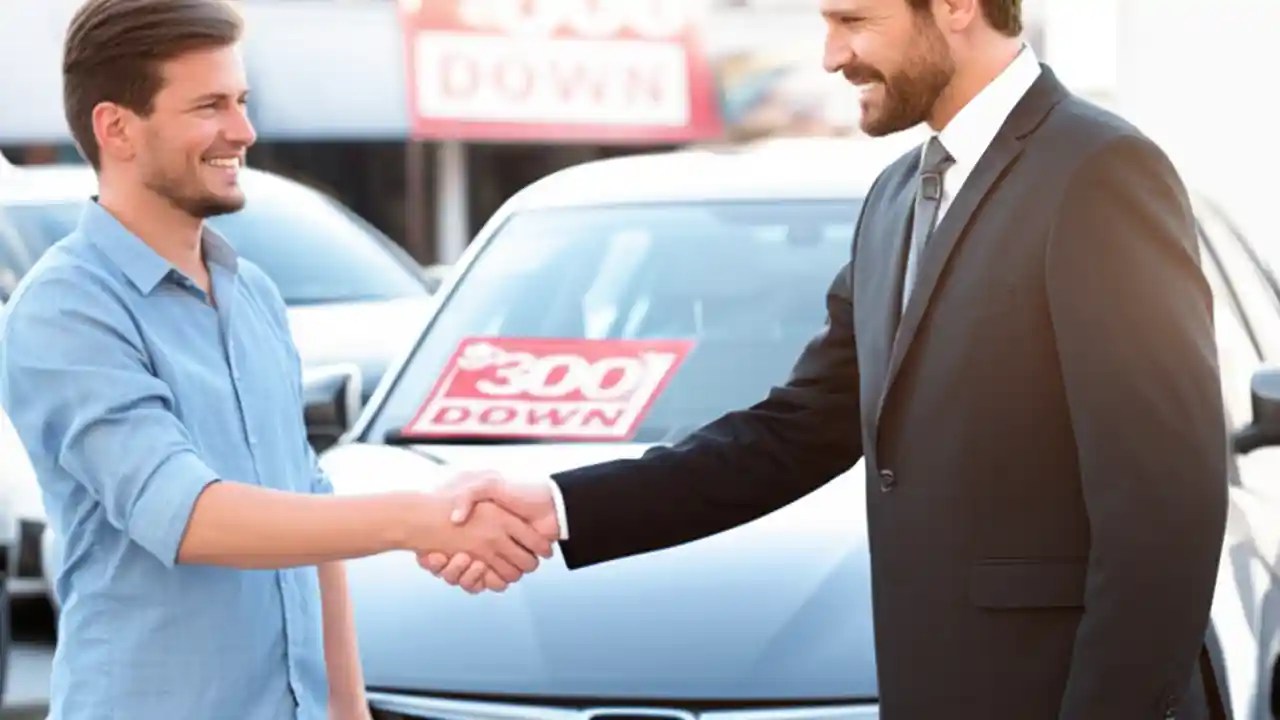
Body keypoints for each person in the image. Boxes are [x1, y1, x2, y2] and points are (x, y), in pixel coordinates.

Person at [429, 0, 1230, 718]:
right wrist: (560, 504)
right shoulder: (893, 198)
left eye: (853, 21)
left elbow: (1164, 516)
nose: (830, 55)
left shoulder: (1100, 172)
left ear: (956, 7)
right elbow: (792, 432)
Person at [0, 1, 553, 718]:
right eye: (209, 105)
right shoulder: (66, 310)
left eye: (242, 101)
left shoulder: (251, 292)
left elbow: (310, 515)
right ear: (117, 129)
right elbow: (192, 518)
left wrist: (349, 712)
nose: (244, 131)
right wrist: (419, 517)